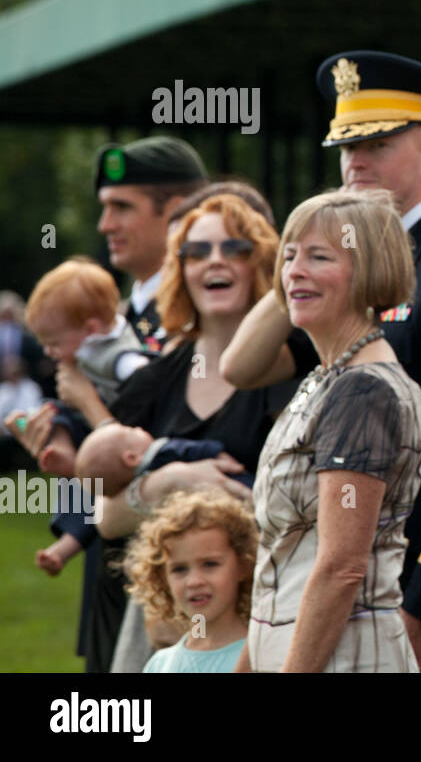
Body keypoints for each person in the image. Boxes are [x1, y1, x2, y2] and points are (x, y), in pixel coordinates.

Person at [221, 51, 421, 673]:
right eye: (346, 144)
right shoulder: (352, 273)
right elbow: (240, 367)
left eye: (377, 143)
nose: (354, 161)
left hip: (403, 596)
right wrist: (303, 260)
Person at [11, 191, 289, 672]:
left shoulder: (292, 369)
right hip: (161, 634)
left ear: (261, 260)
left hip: (261, 625)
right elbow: (101, 510)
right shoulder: (158, 375)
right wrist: (170, 482)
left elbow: (297, 515)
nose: (214, 262)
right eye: (197, 252)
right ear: (180, 269)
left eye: (234, 248)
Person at [238, 189, 421, 673]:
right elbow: (280, 565)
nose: (294, 270)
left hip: (344, 657)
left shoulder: (363, 390)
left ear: (369, 272)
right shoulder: (328, 377)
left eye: (319, 256)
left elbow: (341, 568)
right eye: (289, 256)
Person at [124, 488, 257, 673]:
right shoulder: (159, 665)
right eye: (179, 569)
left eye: (210, 564)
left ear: (244, 566)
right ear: (163, 578)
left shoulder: (260, 659)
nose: (194, 581)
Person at [94, 136, 208, 351]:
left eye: (122, 207)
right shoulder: (128, 315)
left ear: (177, 213)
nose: (105, 225)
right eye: (105, 208)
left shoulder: (204, 315)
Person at [24, 258, 152, 409]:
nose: (47, 351)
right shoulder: (88, 353)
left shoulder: (119, 358)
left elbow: (147, 378)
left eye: (54, 343)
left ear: (91, 330)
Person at [74, 422, 253, 496]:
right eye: (130, 431)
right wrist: (221, 456)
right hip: (234, 482)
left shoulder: (142, 486)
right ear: (132, 458)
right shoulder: (163, 452)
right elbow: (196, 449)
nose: (137, 427)